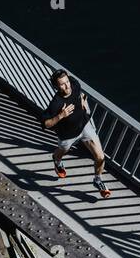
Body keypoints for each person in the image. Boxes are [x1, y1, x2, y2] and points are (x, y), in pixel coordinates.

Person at [41, 68, 112, 198]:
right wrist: (61, 115)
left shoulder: (75, 84)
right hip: (68, 134)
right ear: (56, 87)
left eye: (67, 81)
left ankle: (98, 180)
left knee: (100, 157)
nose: (67, 86)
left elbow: (80, 92)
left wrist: (83, 101)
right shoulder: (56, 103)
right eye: (62, 84)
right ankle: (57, 161)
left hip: (84, 126)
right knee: (61, 151)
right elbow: (45, 123)